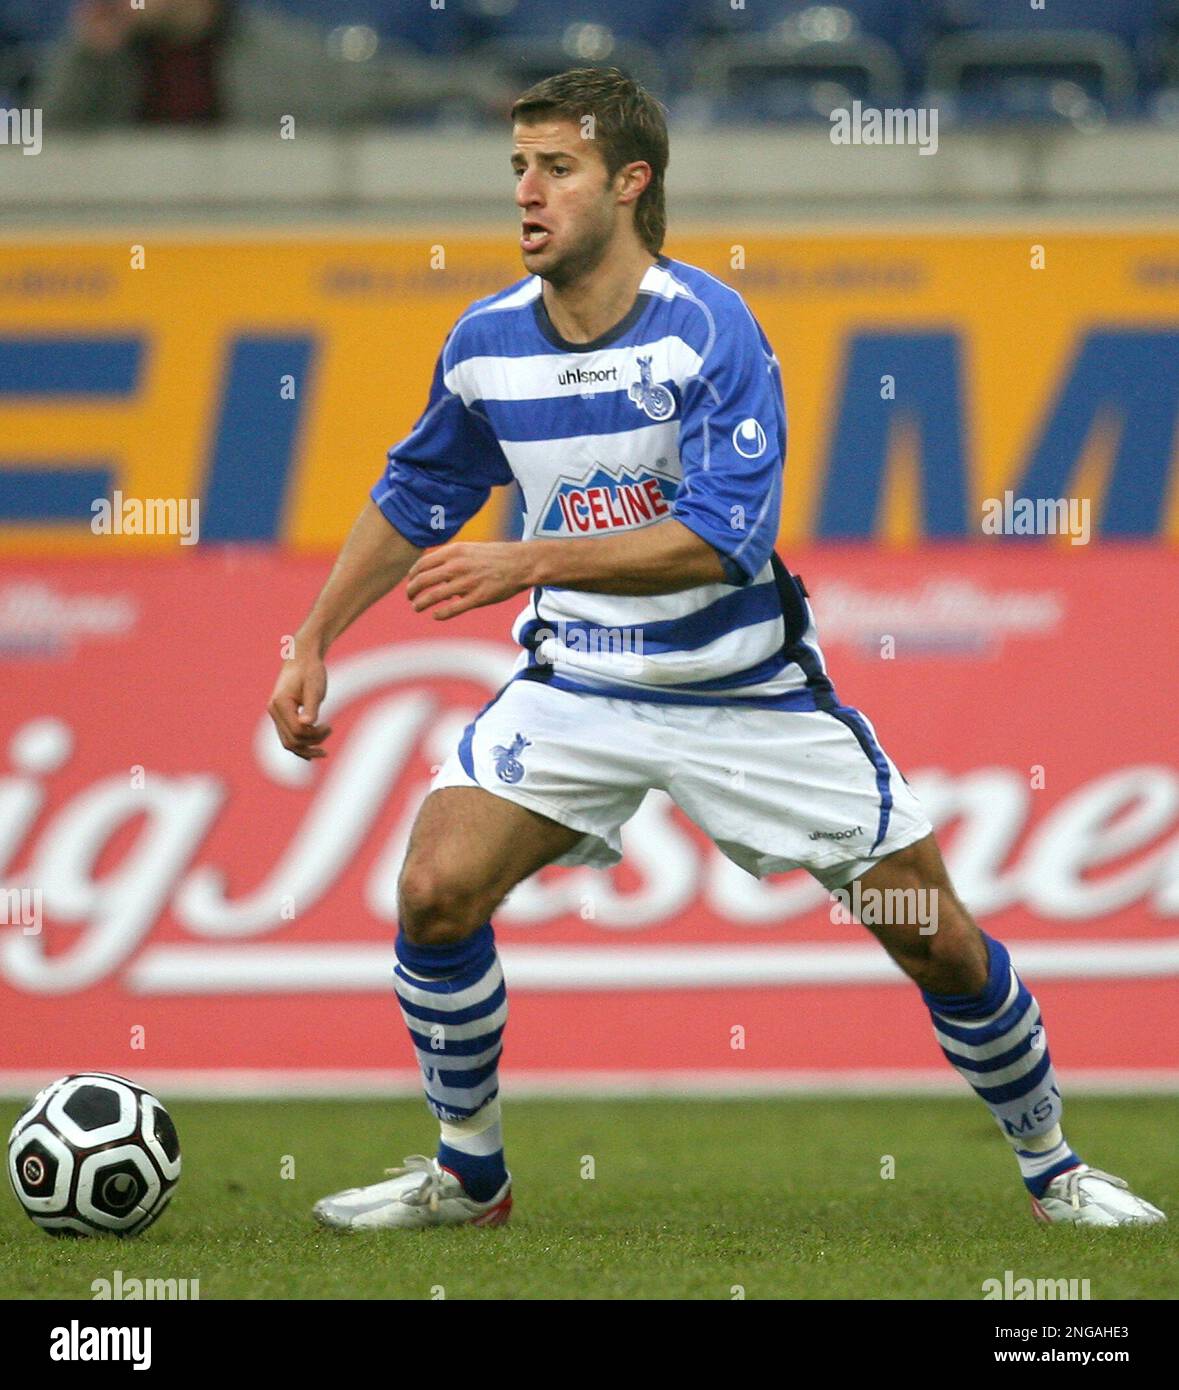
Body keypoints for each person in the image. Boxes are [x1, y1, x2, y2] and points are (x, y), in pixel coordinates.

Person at [268, 66, 1165, 1232]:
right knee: (435, 892)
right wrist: (316, 637)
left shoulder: (707, 328)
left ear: (631, 182)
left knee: (934, 940)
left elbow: (723, 539)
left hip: (747, 696)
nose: (527, 194)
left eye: (557, 169)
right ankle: (470, 1177)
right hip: (579, 683)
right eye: (518, 170)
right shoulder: (486, 342)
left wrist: (527, 560)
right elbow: (416, 493)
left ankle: (1056, 1169)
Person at [35, 0, 508, 128]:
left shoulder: (273, 51)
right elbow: (49, 146)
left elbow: (379, 84)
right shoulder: (106, 55)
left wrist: (473, 90)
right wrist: (88, 53)